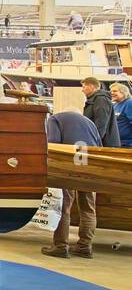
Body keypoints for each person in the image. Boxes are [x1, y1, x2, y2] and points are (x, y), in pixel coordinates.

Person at [43, 110, 101, 259]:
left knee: (64, 207)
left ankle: (61, 246)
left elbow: (53, 145)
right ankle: (84, 246)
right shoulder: (90, 122)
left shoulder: (53, 119)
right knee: (88, 208)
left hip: (68, 166)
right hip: (89, 165)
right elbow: (99, 144)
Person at [81, 76, 121, 147]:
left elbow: (101, 123)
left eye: (84, 87)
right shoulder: (95, 99)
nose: (82, 90)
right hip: (100, 142)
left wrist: (95, 142)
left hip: (104, 145)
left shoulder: (101, 99)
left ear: (91, 86)